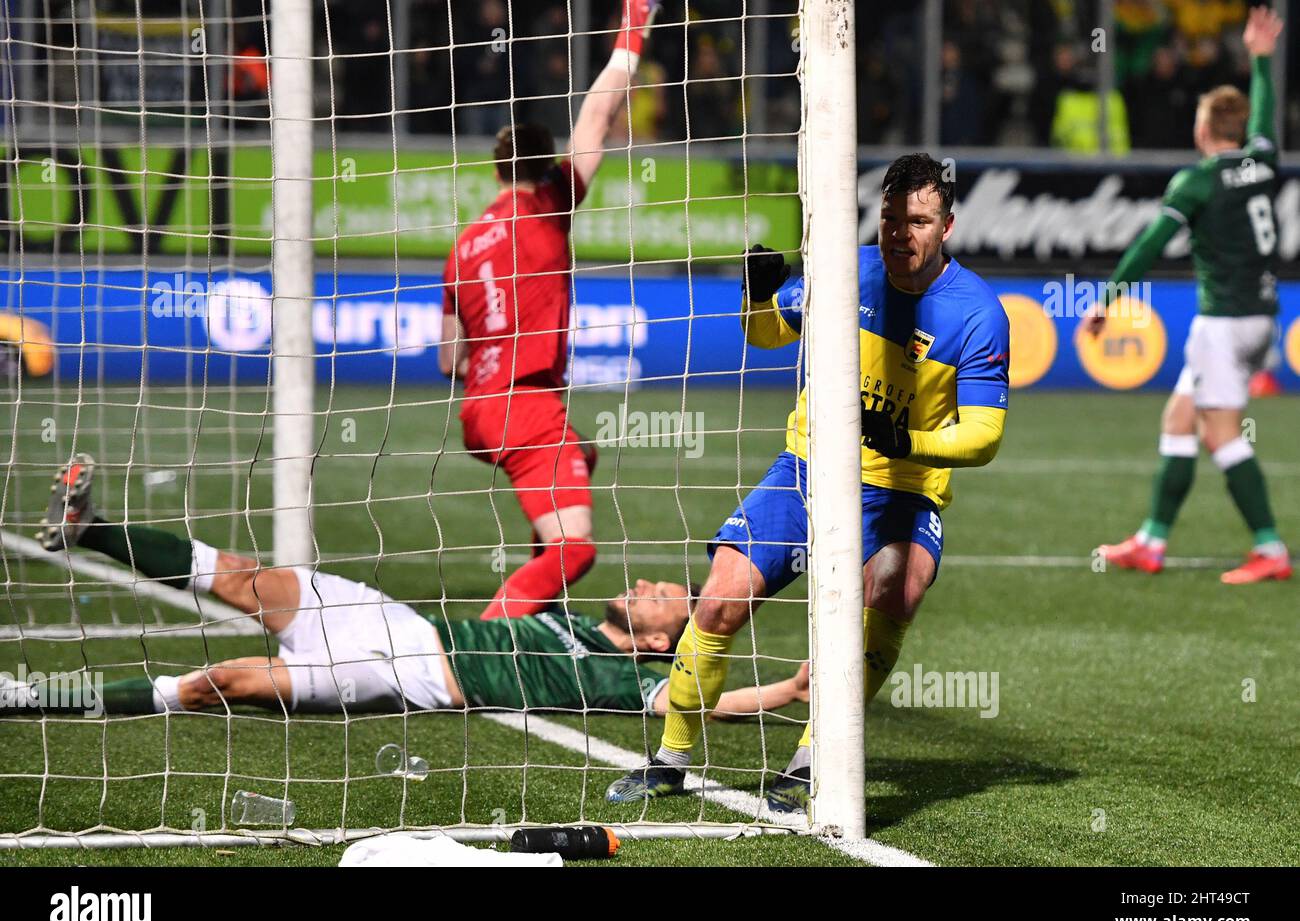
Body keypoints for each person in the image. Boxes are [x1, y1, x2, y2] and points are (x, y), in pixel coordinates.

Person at [605, 153, 1010, 812]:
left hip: (903, 489)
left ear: (948, 226)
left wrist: (906, 442)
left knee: (894, 587)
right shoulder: (845, 269)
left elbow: (985, 437)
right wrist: (757, 295)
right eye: (889, 218)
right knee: (719, 602)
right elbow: (765, 335)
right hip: (807, 468)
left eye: (918, 221)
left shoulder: (977, 314)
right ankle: (669, 760)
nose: (901, 234)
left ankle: (811, 758)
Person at [10, 454, 807, 721]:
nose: (644, 583)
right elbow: (541, 571)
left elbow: (703, 701)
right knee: (247, 579)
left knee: (224, 681)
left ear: (665, 639)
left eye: (659, 593)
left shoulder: (625, 678)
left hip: (397, 674)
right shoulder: (567, 622)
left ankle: (32, 697)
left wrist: (789, 688)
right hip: (389, 617)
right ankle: (90, 531)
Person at [438, 0, 659, 619]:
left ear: (496, 168)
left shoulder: (462, 247)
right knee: (574, 551)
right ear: (542, 169)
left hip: (482, 411)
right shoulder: (545, 208)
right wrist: (631, 32)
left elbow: (448, 358)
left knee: (580, 457)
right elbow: (596, 115)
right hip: (526, 402)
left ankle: (536, 619)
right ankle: (485, 641)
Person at [1087, 6, 1290, 584]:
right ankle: (1151, 541)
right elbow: (1268, 115)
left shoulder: (1196, 181)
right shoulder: (1264, 160)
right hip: (1261, 318)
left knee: (1221, 434)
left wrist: (1108, 298)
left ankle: (1270, 549)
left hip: (1222, 324)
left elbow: (1150, 245)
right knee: (1179, 418)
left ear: (1203, 131)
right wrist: (1260, 58)